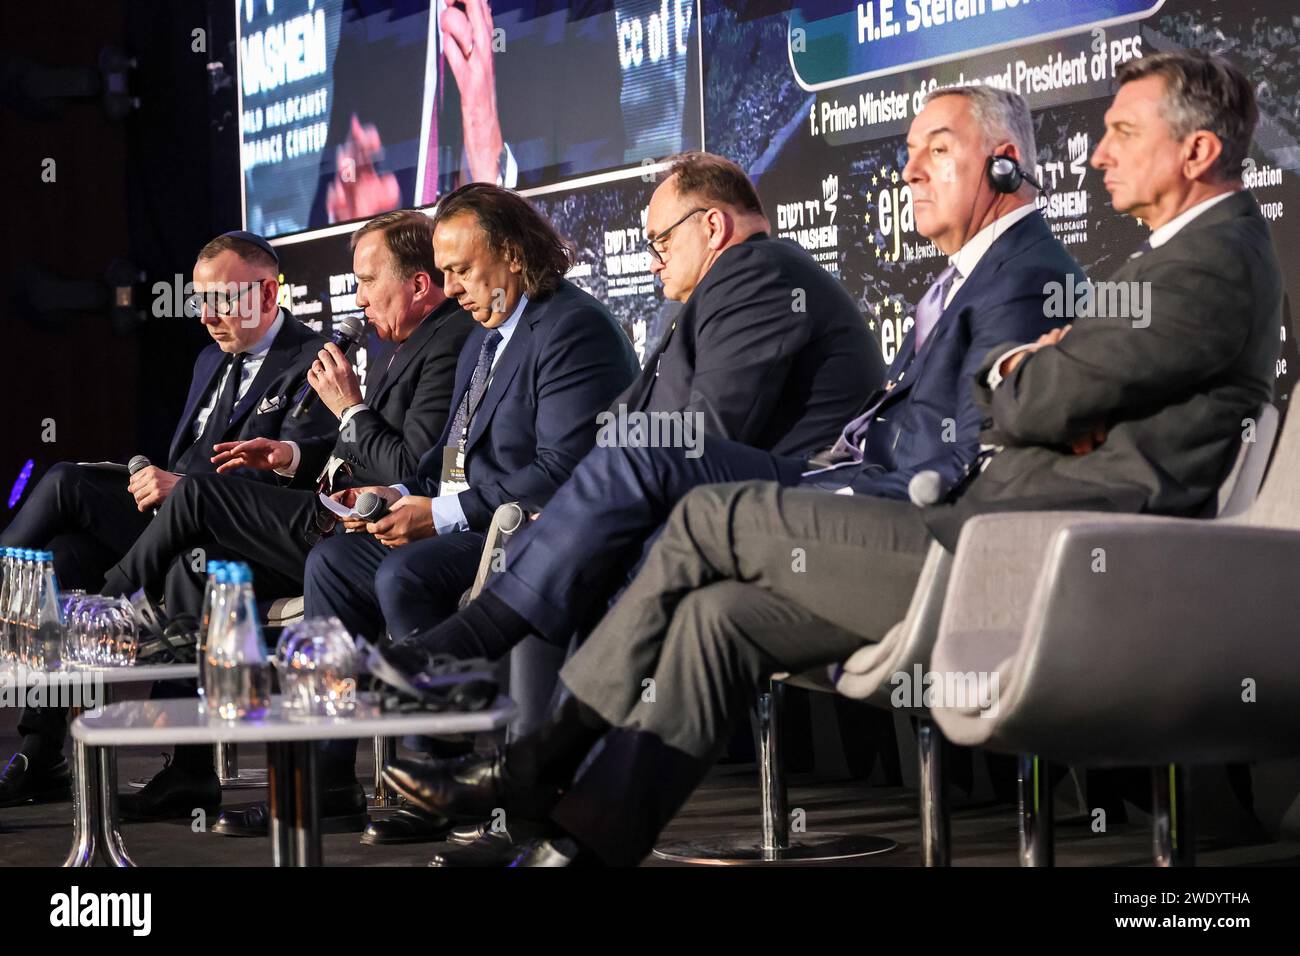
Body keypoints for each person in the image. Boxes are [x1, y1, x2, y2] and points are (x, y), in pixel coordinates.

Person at [380, 52, 1283, 866]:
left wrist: (1024, 369)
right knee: (722, 619)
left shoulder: (1206, 260)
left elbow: (1028, 404)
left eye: (1122, 130)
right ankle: (583, 840)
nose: (1097, 154)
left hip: (1007, 548)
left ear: (1197, 151)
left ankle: (535, 755)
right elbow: (1054, 394)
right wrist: (1040, 372)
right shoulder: (1161, 264)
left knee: (700, 511)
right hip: (969, 526)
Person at [371, 88, 1082, 708]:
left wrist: (612, 474)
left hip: (864, 507)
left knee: (612, 496)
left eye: (937, 148)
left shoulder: (757, 271)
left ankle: (498, 691)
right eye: (908, 149)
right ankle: (532, 770)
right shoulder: (755, 287)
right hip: (834, 487)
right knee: (581, 512)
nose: (910, 170)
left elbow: (707, 431)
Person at [209, 185, 639, 840]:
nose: (451, 286)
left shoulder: (572, 328)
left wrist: (436, 516)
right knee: (332, 564)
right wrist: (387, 498)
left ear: (516, 255)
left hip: (531, 533)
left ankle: (438, 775)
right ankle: (328, 784)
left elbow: (562, 472)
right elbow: (445, 454)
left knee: (406, 574)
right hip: (468, 517)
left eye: (462, 269)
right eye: (444, 272)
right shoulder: (487, 334)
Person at [109, 209, 474, 822]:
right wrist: (288, 455)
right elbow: (355, 449)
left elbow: (411, 466)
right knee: (199, 569)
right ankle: (198, 771)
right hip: (332, 511)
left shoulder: (448, 343)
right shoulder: (397, 344)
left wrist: (350, 409)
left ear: (417, 284)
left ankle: (111, 604)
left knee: (198, 495)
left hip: (367, 520)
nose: (356, 300)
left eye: (365, 281)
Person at [0, 231, 337, 809]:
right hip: (169, 518)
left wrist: (188, 488)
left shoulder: (314, 360)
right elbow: (184, 459)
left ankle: (186, 769)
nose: (206, 316)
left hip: (237, 536)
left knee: (71, 495)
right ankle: (40, 749)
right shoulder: (210, 357)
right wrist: (157, 479)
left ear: (266, 291)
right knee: (62, 551)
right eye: (199, 300)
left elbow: (298, 482)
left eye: (223, 300)